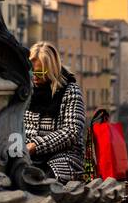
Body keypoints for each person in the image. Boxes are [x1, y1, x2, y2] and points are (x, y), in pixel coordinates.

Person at [23, 42, 85, 183]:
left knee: (45, 182)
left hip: (64, 156)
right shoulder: (25, 91)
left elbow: (72, 131)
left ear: (51, 70)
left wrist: (35, 146)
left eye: (39, 72)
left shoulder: (70, 91)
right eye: (32, 72)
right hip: (28, 156)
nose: (34, 77)